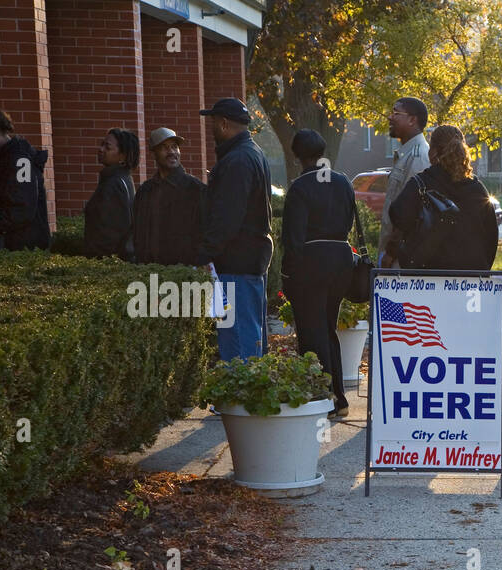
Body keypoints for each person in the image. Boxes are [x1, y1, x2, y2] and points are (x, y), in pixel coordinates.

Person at [281, 129, 356, 419]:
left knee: (312, 332)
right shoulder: (342, 182)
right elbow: (348, 222)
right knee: (327, 328)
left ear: (296, 155)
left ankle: (324, 396)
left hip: (312, 262)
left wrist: (287, 273)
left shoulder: (300, 188)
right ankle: (338, 394)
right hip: (340, 260)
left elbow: (293, 238)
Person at [196, 97, 273, 362]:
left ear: (224, 123)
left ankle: (242, 401)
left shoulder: (237, 161)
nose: (212, 130)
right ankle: (248, 397)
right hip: (249, 261)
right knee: (250, 336)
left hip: (236, 262)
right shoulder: (253, 153)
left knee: (239, 344)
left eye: (214, 123)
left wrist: (205, 253)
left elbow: (227, 217)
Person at [386, 124, 497, 270]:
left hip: (426, 277)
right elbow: (491, 238)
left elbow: (398, 219)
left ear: (433, 152)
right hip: (469, 279)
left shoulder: (419, 185)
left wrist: (391, 254)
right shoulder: (478, 190)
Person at [0, 105, 49, 251]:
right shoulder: (4, 159)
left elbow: (21, 211)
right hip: (15, 241)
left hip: (18, 244)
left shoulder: (19, 159)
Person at [133, 127, 205, 265]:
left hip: (184, 275)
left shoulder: (195, 189)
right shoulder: (145, 191)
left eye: (174, 146)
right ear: (154, 152)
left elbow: (204, 235)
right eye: (164, 147)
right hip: (148, 274)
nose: (171, 152)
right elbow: (138, 234)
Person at [378, 96, 429, 266]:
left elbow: (411, 211)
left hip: (401, 259)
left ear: (412, 120)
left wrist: (391, 253)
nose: (390, 117)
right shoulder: (406, 154)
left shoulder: (419, 156)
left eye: (396, 112)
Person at [83, 127, 138, 260]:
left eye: (107, 147)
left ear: (123, 155)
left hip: (108, 261)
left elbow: (111, 231)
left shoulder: (114, 184)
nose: (101, 149)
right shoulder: (120, 178)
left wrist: (98, 259)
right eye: (102, 144)